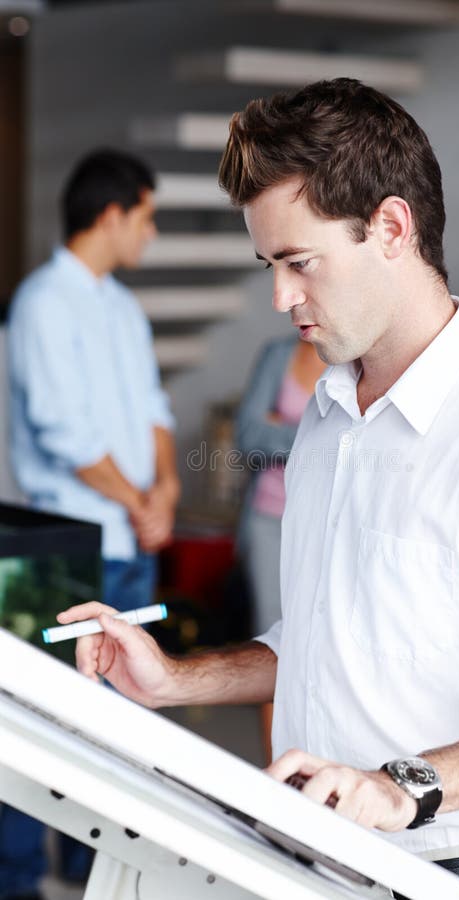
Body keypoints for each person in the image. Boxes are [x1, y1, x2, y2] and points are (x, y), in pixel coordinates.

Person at [58, 80, 459, 899]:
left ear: (391, 226)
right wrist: (176, 679)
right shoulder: (327, 415)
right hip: (311, 869)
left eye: (299, 262)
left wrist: (399, 787)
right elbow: (318, 638)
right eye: (268, 264)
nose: (280, 298)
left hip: (451, 881)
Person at [5, 148, 179, 900]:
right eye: (146, 218)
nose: (151, 235)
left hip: (129, 546)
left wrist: (167, 488)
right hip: (67, 551)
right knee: (43, 722)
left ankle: (90, 870)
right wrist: (138, 502)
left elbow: (153, 412)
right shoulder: (44, 301)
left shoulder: (121, 307)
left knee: (116, 722)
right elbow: (62, 432)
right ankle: (18, 879)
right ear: (112, 215)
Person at [236, 335, 326, 758]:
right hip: (268, 520)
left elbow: (363, 439)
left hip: (329, 524)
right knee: (273, 645)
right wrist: (318, 433)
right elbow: (249, 435)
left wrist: (283, 427)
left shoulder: (358, 358)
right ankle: (279, 770)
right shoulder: (277, 354)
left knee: (325, 642)